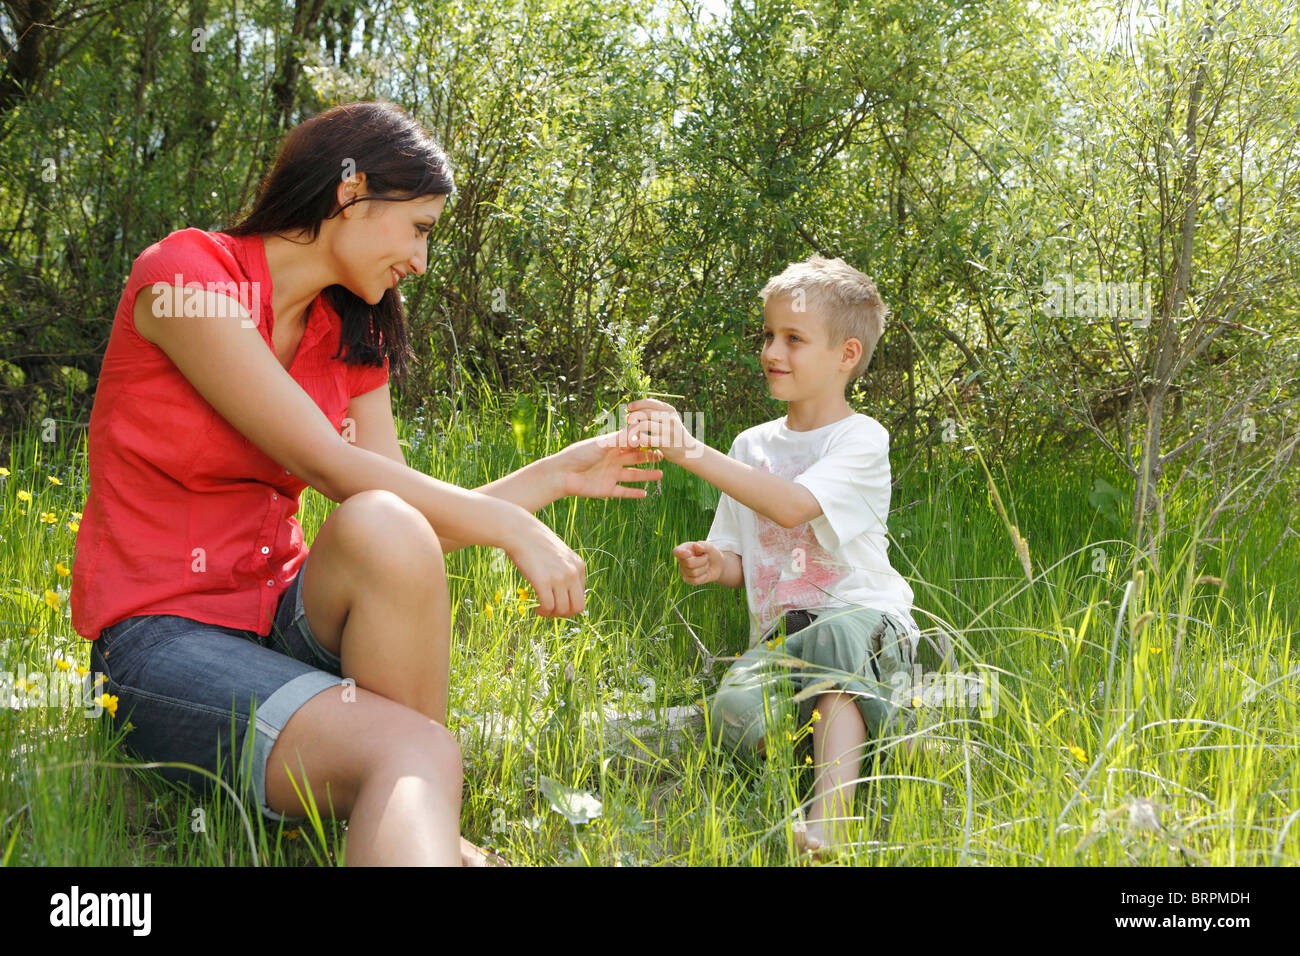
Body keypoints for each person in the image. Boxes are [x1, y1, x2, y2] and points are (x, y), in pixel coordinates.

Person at [70, 100, 662, 867]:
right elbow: (323, 458)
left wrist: (548, 478)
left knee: (382, 523)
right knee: (414, 749)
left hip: (282, 625)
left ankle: (406, 801)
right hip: (161, 644)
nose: (420, 261)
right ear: (350, 194)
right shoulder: (186, 278)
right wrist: (515, 532)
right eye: (418, 228)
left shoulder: (352, 332)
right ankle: (419, 806)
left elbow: (410, 525)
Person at [624, 254, 920, 858]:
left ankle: (827, 824)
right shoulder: (749, 445)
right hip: (782, 643)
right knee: (732, 714)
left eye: (793, 338)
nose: (770, 351)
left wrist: (686, 449)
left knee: (838, 635)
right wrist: (714, 563)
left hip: (868, 627)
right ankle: (852, 743)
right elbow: (744, 556)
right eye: (767, 336)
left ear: (848, 355)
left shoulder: (860, 439)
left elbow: (791, 508)